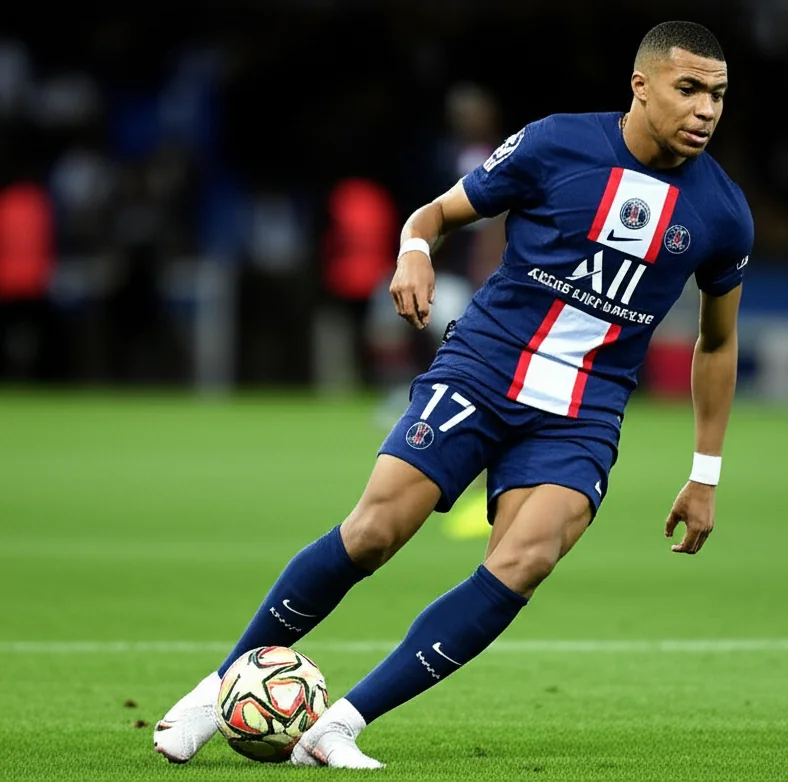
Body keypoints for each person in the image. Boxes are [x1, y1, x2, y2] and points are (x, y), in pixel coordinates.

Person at [154, 20, 752, 769]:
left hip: (584, 409)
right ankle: (213, 695)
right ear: (641, 85)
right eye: (688, 88)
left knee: (527, 557)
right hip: (484, 368)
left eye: (718, 96)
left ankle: (337, 726)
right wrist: (412, 255)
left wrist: (705, 475)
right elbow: (432, 216)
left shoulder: (723, 214)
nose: (705, 109)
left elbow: (719, 343)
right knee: (374, 531)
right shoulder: (556, 145)